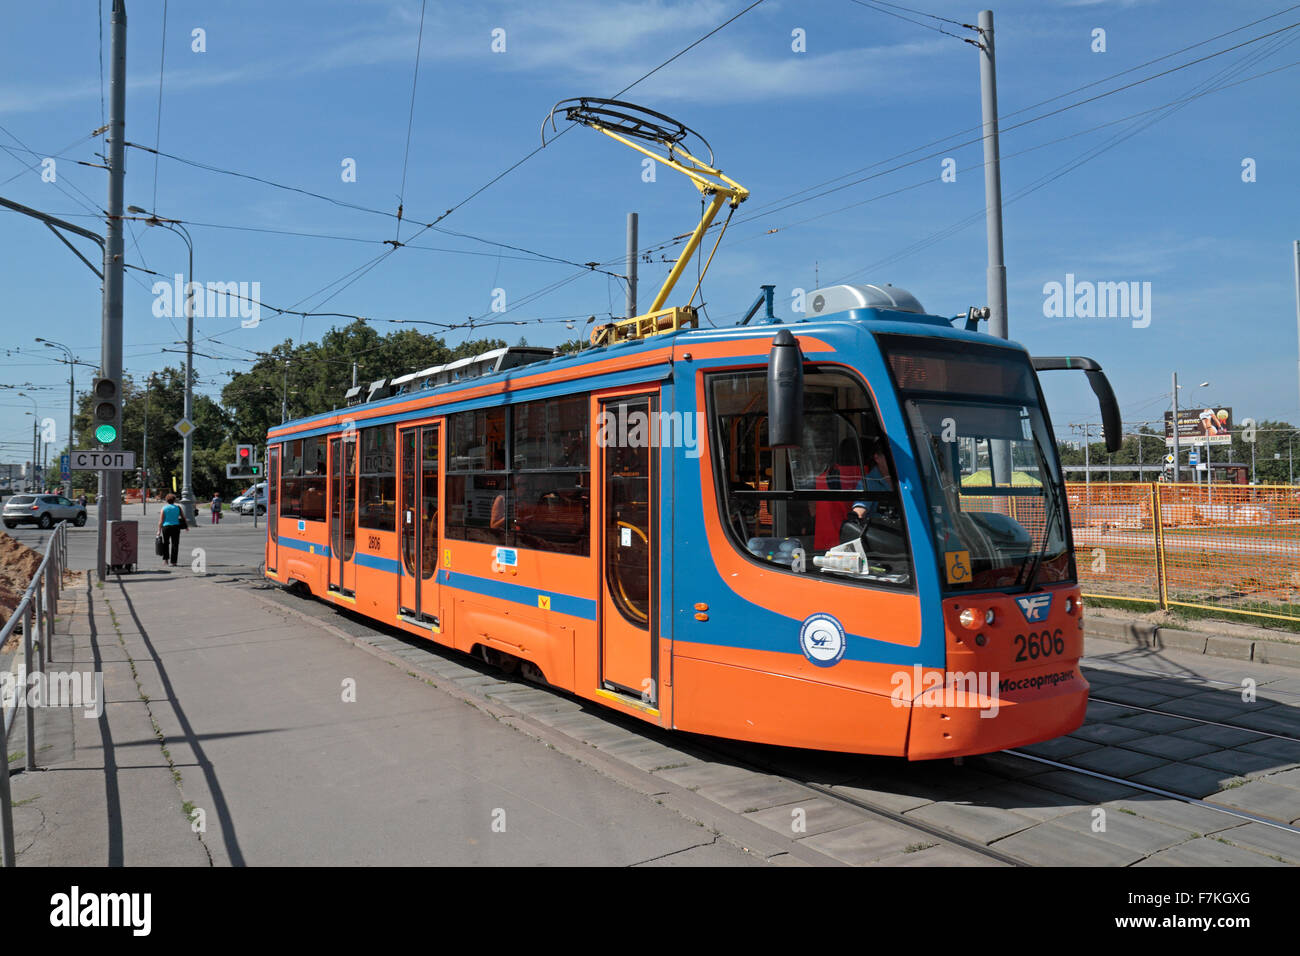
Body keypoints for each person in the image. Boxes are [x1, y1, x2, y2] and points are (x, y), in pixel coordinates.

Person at [158, 493, 184, 567]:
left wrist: (159, 530)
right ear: (174, 500)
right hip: (176, 527)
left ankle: (166, 560)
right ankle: (174, 562)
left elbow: (161, 521)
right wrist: (187, 526)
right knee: (175, 544)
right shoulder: (178, 507)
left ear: (166, 500)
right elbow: (183, 517)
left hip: (166, 527)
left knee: (166, 543)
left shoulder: (164, 508)